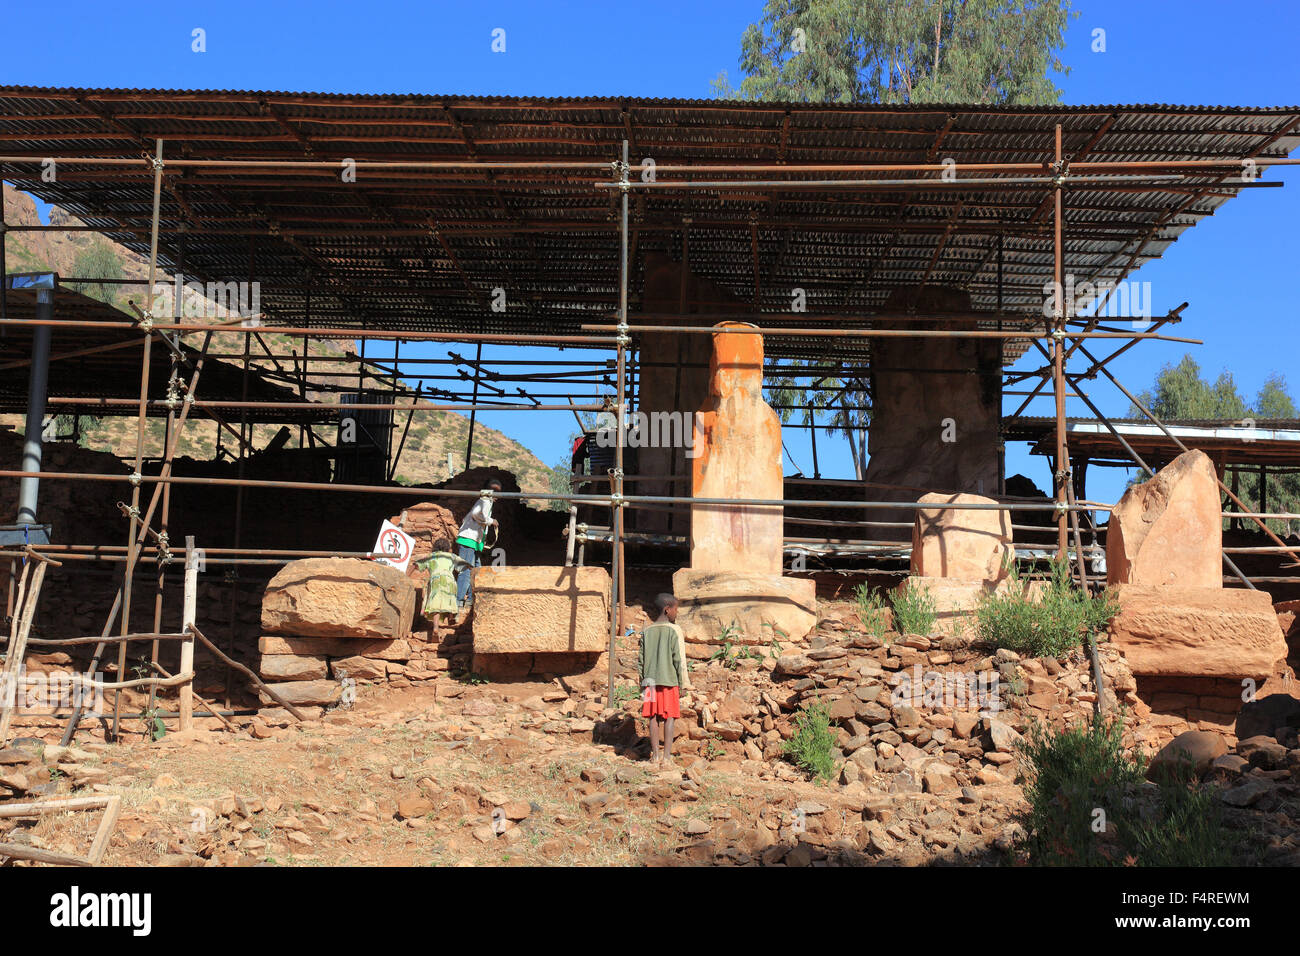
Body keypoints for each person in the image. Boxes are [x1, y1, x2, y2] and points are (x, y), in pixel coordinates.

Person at [639, 593, 686, 767]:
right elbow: (677, 659)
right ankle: (667, 759)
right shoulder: (673, 631)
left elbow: (641, 660)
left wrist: (642, 682)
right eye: (675, 609)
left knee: (652, 717)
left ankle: (655, 757)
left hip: (649, 682)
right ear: (667, 610)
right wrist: (681, 683)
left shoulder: (647, 631)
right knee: (670, 717)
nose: (676, 613)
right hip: (669, 681)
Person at [455, 478, 501, 608]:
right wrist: (491, 521)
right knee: (467, 570)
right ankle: (459, 601)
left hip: (473, 541)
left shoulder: (487, 501)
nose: (497, 494)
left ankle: (470, 598)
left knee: (476, 570)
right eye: (495, 491)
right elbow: (476, 514)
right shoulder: (485, 501)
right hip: (469, 540)